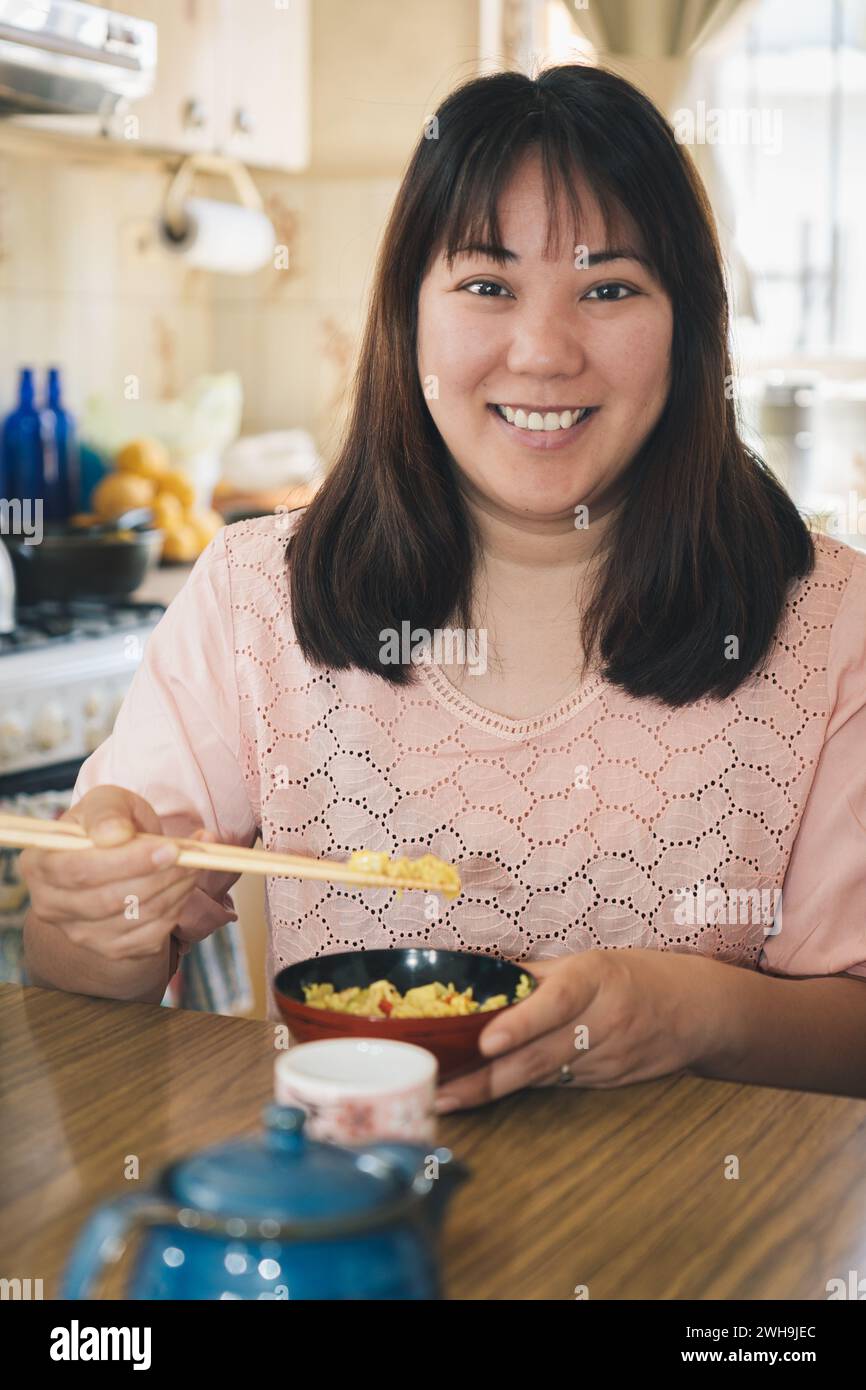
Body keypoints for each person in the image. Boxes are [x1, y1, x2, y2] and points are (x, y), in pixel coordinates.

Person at [21, 64, 866, 1105]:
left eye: (608, 289)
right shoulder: (254, 597)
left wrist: (694, 1012)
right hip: (354, 1222)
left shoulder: (829, 620)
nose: (544, 352)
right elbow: (89, 980)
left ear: (689, 325)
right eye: (485, 285)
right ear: (406, 315)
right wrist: (89, 922)